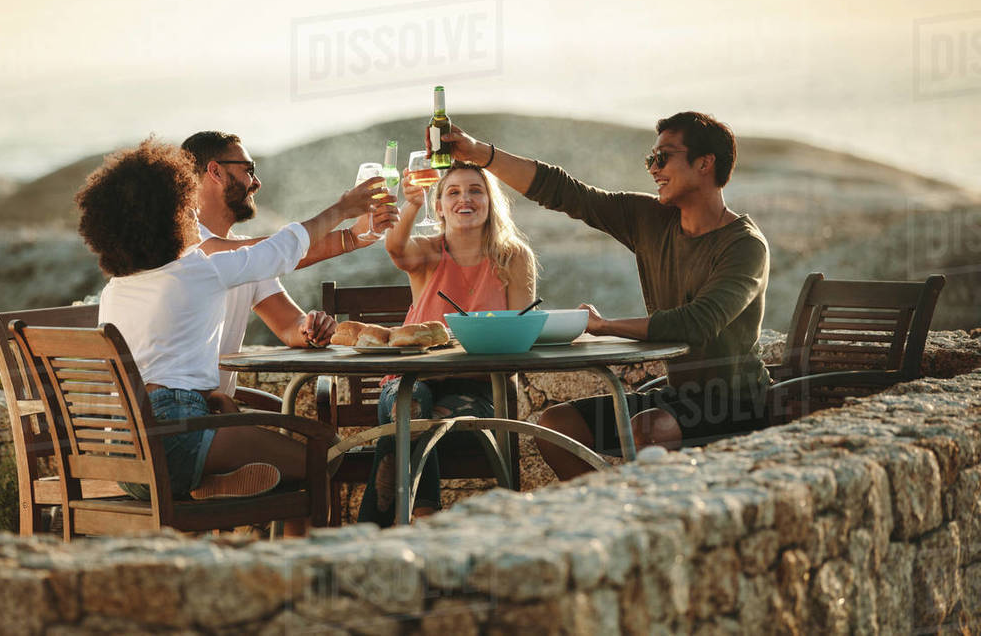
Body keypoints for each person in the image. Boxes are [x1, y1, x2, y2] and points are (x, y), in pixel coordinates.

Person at [428, 112, 771, 479]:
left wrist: (605, 326)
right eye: (649, 159)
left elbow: (697, 323)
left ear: (705, 163)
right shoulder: (651, 218)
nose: (653, 168)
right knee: (557, 425)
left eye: (663, 157)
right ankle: (612, 512)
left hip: (735, 403)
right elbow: (566, 193)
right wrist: (481, 154)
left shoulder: (745, 246)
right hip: (676, 399)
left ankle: (645, 521)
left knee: (648, 429)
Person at [74, 138, 387, 518]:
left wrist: (210, 398)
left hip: (123, 456)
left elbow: (162, 365)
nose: (192, 216)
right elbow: (279, 250)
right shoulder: (197, 272)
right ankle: (293, 559)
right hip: (174, 439)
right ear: (167, 218)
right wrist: (342, 210)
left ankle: (211, 484)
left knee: (283, 456)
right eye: (185, 209)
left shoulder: (114, 291)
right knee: (326, 454)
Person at [357, 162, 537, 525]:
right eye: (452, 192)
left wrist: (450, 368)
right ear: (438, 206)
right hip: (409, 383)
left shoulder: (513, 257)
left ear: (490, 201)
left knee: (415, 425)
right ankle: (425, 521)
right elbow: (396, 249)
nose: (464, 199)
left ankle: (375, 532)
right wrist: (410, 204)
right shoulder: (427, 252)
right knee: (412, 405)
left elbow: (520, 339)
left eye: (475, 190)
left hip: (481, 390)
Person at [182, 131, 399, 398]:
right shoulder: (182, 245)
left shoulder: (250, 254)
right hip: (181, 415)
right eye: (249, 170)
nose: (257, 182)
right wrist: (345, 220)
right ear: (215, 171)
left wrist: (309, 330)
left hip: (214, 410)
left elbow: (288, 325)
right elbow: (273, 253)